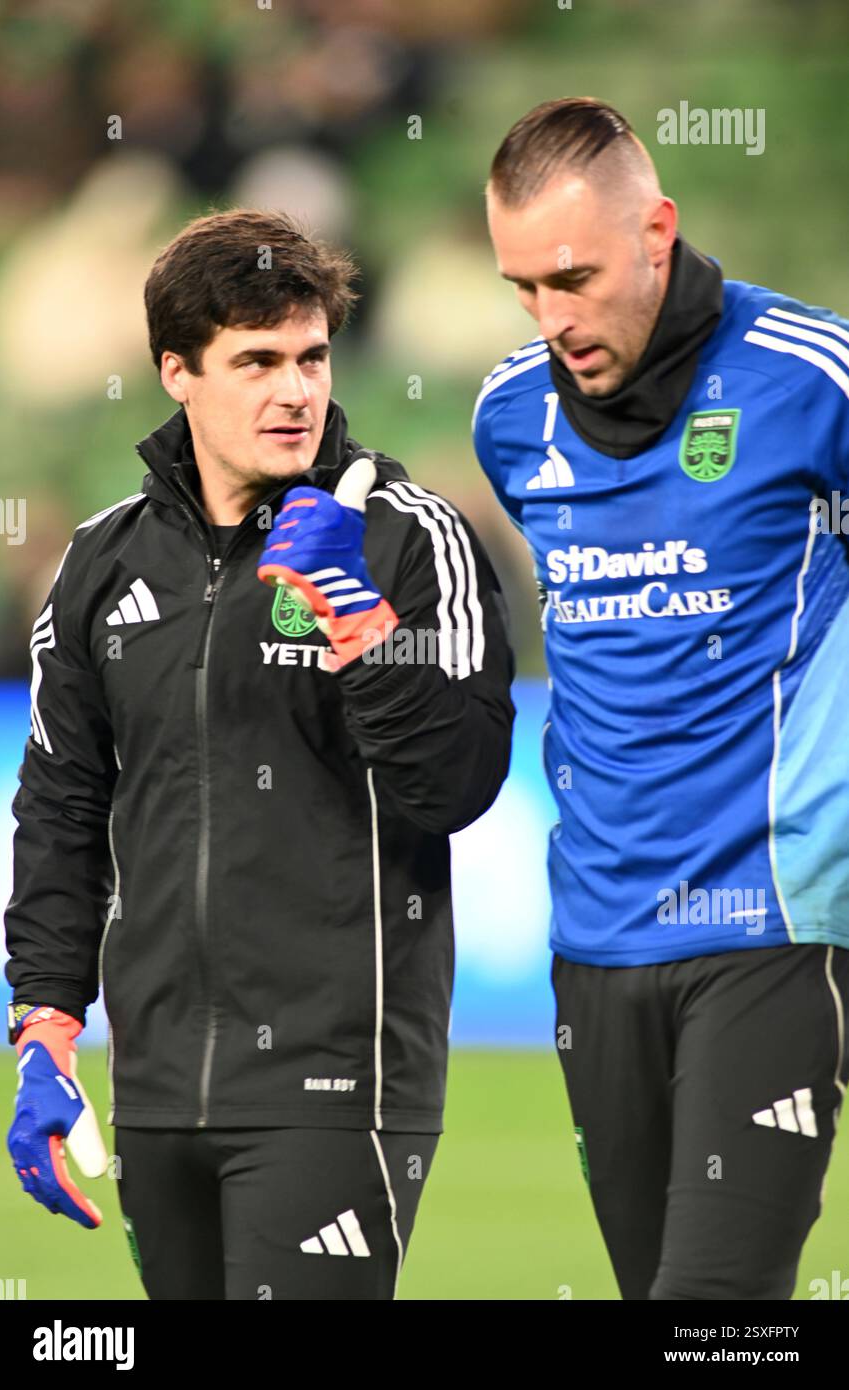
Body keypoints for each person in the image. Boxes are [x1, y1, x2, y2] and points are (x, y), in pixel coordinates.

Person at [4, 208, 515, 1301]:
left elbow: (457, 781)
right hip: (154, 1090)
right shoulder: (100, 562)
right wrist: (44, 1023)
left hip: (332, 1081)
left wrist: (356, 616)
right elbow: (60, 802)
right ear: (176, 371)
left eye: (311, 357)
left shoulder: (407, 536)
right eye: (256, 361)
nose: (295, 390)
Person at [473, 97, 849, 1301]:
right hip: (593, 940)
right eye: (523, 287)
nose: (551, 319)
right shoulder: (506, 417)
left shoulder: (810, 380)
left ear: (657, 232)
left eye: (573, 278)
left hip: (770, 922)